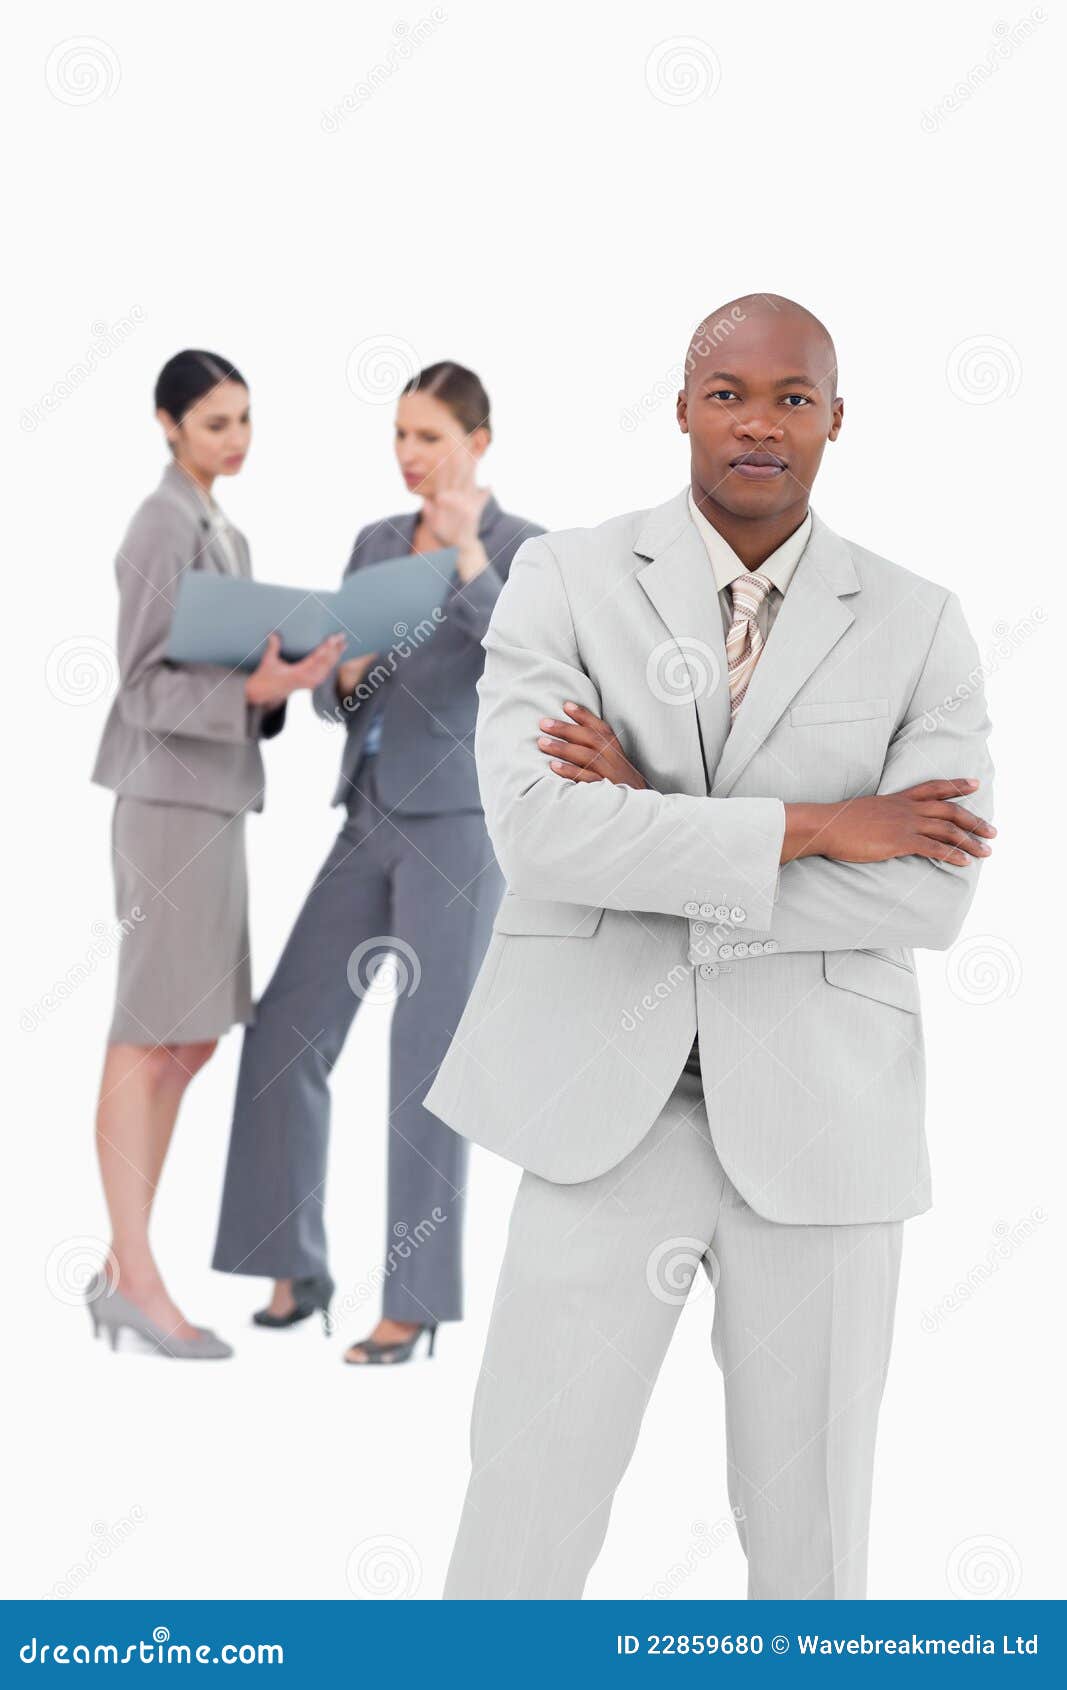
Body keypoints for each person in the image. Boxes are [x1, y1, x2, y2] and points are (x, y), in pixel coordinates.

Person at [424, 296, 996, 1597]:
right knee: (521, 1513)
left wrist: (655, 823)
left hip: (825, 1127)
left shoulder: (918, 621)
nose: (757, 422)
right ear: (681, 405)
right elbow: (541, 837)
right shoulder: (562, 578)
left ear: (833, 419)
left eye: (790, 397)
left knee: (812, 1544)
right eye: (726, 392)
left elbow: (926, 899)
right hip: (598, 1110)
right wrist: (819, 825)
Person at [212, 362, 545, 1364]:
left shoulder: (524, 550)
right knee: (284, 1032)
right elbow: (340, 697)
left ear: (477, 442)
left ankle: (413, 1304)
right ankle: (292, 1260)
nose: (410, 456)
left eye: (429, 437)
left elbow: (529, 664)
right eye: (399, 435)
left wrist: (463, 561)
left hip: (458, 827)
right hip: (365, 812)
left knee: (426, 1062)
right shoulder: (371, 541)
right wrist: (343, 669)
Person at [88, 350, 343, 1359]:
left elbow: (230, 672)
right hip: (164, 805)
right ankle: (134, 1278)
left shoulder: (220, 526)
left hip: (214, 804)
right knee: (149, 1032)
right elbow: (141, 688)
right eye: (213, 424)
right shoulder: (161, 523)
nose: (235, 439)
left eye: (243, 420)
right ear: (167, 424)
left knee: (189, 1038)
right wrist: (251, 692)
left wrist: (276, 679)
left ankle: (126, 1263)